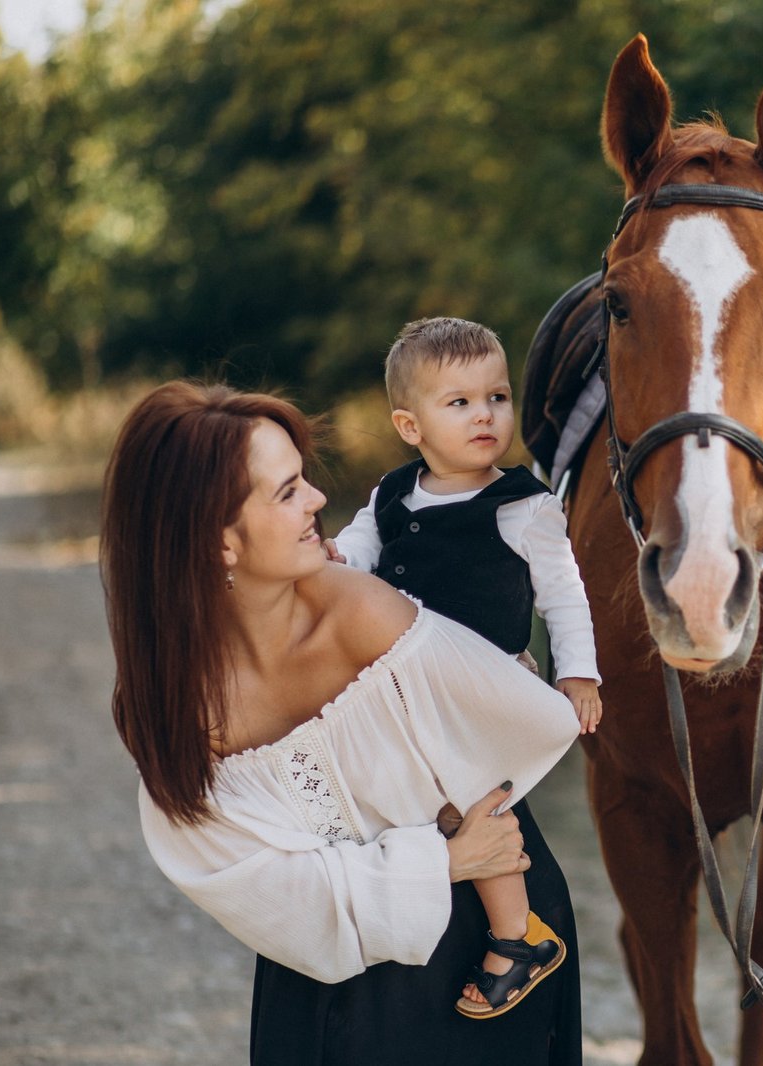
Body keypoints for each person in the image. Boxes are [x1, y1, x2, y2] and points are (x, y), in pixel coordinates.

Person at [100, 381, 585, 1064]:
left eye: (303, 479)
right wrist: (439, 860)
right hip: (315, 977)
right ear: (218, 543)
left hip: (489, 950)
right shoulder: (171, 704)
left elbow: (531, 720)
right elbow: (256, 889)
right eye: (287, 492)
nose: (318, 499)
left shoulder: (362, 611)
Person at [325, 317, 601, 1016]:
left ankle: (517, 936)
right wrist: (334, 560)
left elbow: (564, 595)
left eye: (497, 397)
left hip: (486, 687)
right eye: (460, 402)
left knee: (471, 798)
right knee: (399, 785)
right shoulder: (392, 493)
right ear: (409, 425)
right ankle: (388, 905)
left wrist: (578, 672)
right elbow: (355, 552)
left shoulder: (524, 505)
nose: (485, 414)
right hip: (407, 686)